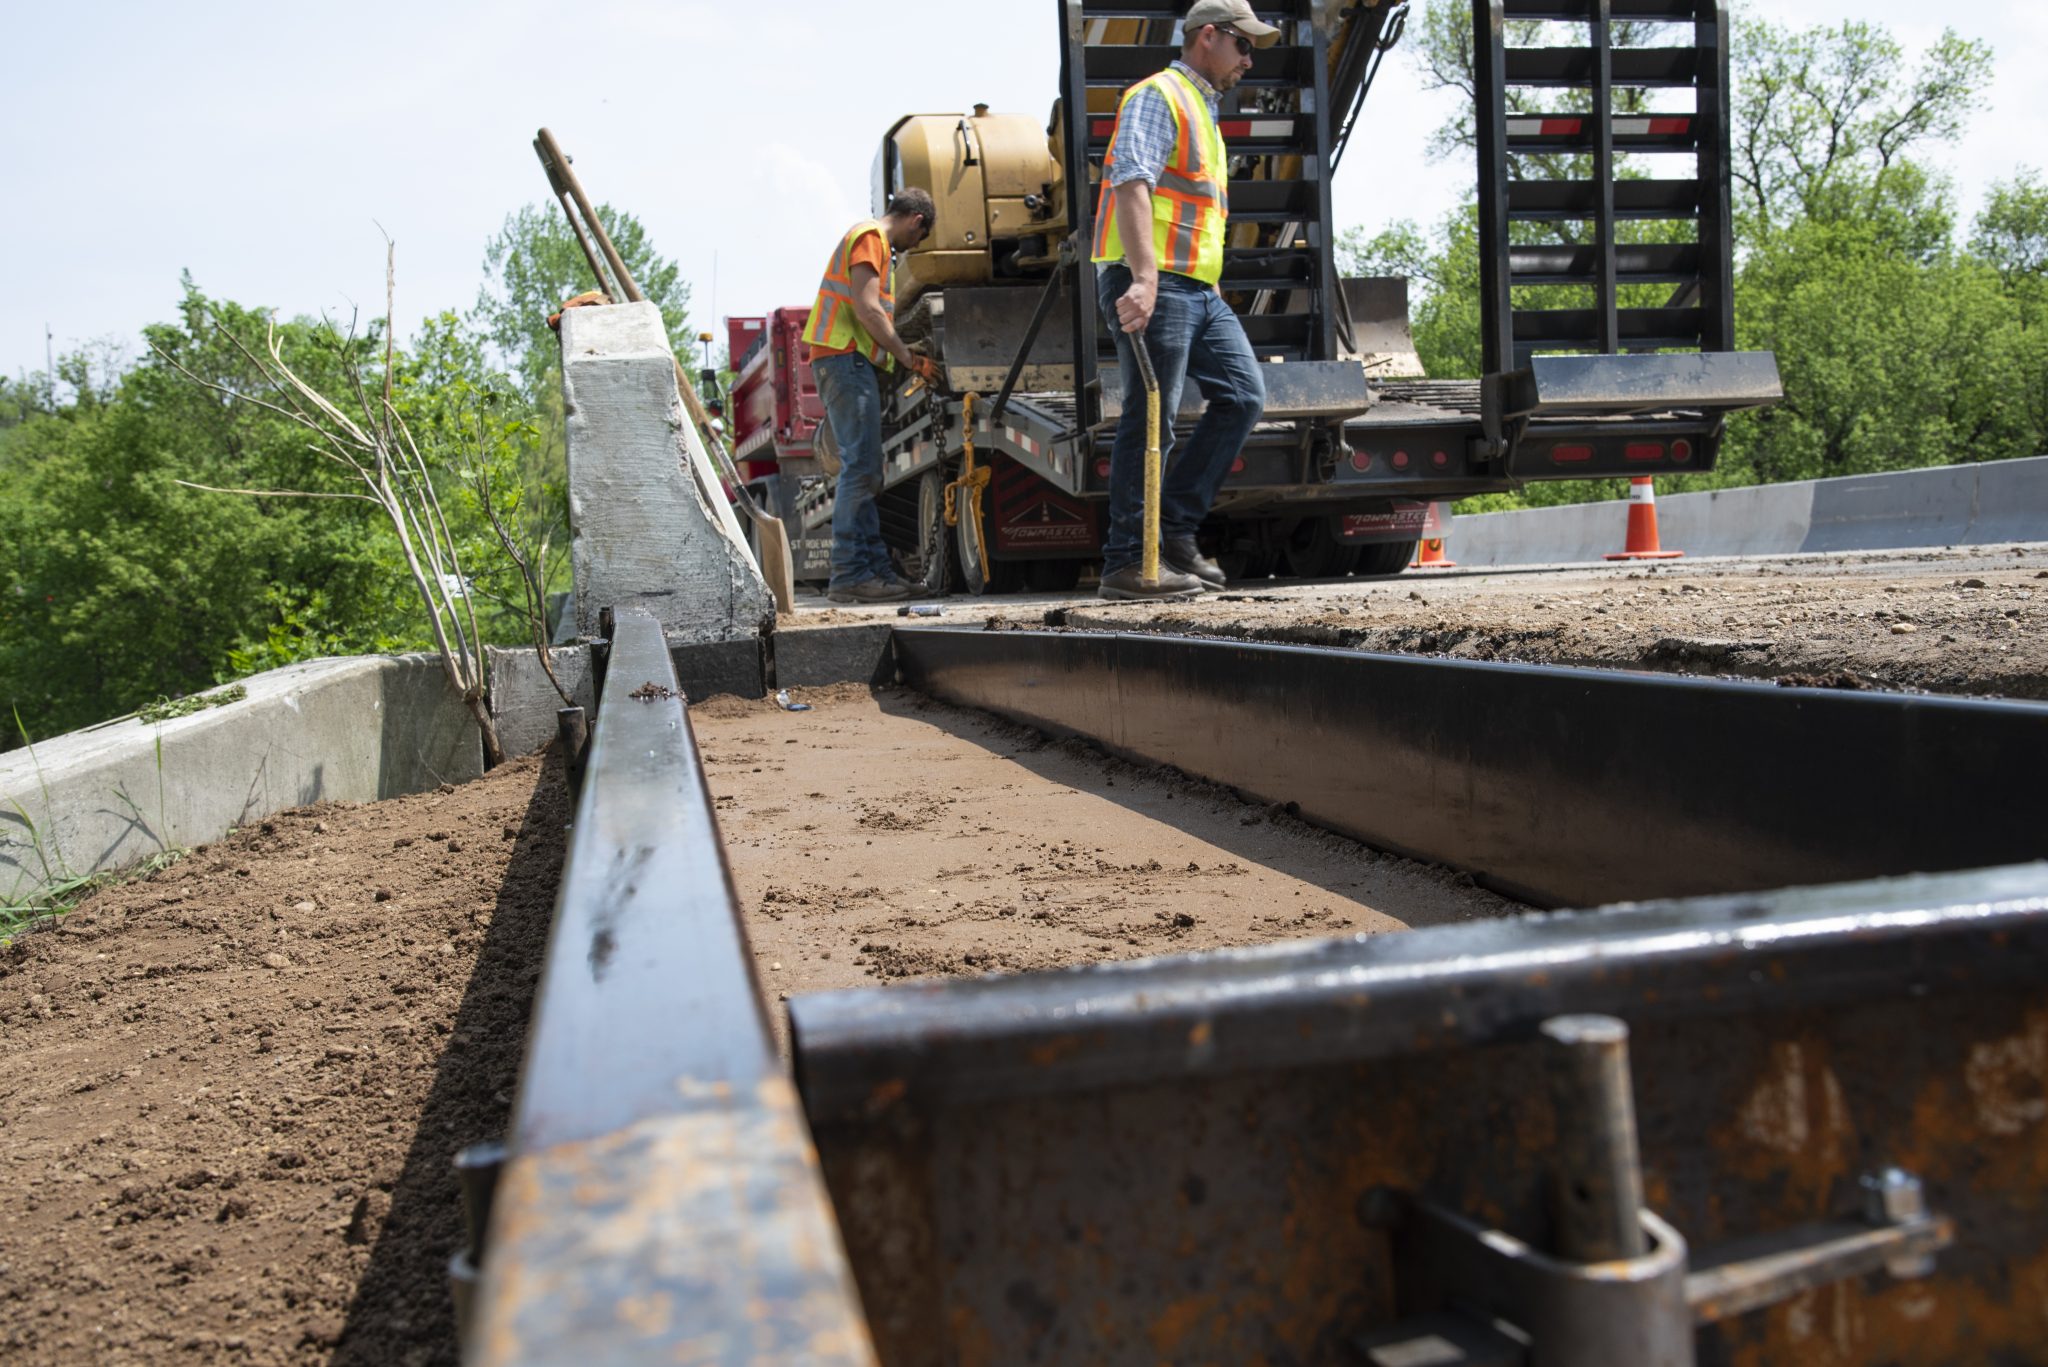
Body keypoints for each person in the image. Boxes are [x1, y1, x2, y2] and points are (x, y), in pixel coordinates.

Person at [1090, 0, 1275, 600]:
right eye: (1242, 46)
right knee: (1152, 418)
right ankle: (1127, 563)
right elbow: (1132, 182)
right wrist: (1144, 278)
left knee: (1244, 395)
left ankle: (1170, 535)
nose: (1249, 59)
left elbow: (1195, 211)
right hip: (1156, 281)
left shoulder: (1203, 108)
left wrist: (1210, 282)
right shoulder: (1159, 95)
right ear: (1209, 37)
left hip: (1195, 286)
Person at [803, 187, 945, 604]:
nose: (913, 247)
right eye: (918, 239)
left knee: (867, 471)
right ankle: (850, 573)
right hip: (843, 359)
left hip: (849, 361)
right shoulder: (871, 238)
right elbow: (867, 309)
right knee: (859, 469)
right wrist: (906, 357)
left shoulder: (873, 242)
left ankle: (874, 570)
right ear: (916, 220)